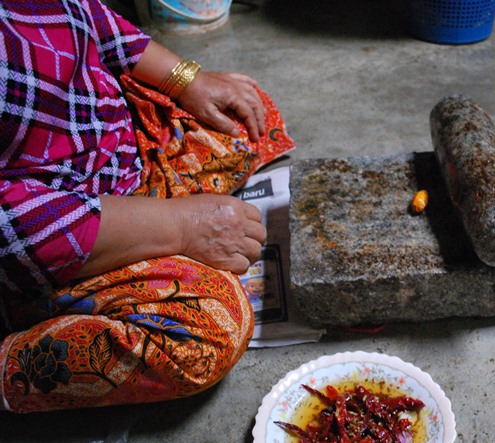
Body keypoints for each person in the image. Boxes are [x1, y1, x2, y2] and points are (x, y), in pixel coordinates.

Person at [0, 0, 295, 412]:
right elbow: (15, 229)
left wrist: (184, 80)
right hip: (52, 237)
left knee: (250, 115)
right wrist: (184, 226)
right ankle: (11, 365)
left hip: (115, 150)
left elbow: (88, 17)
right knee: (205, 337)